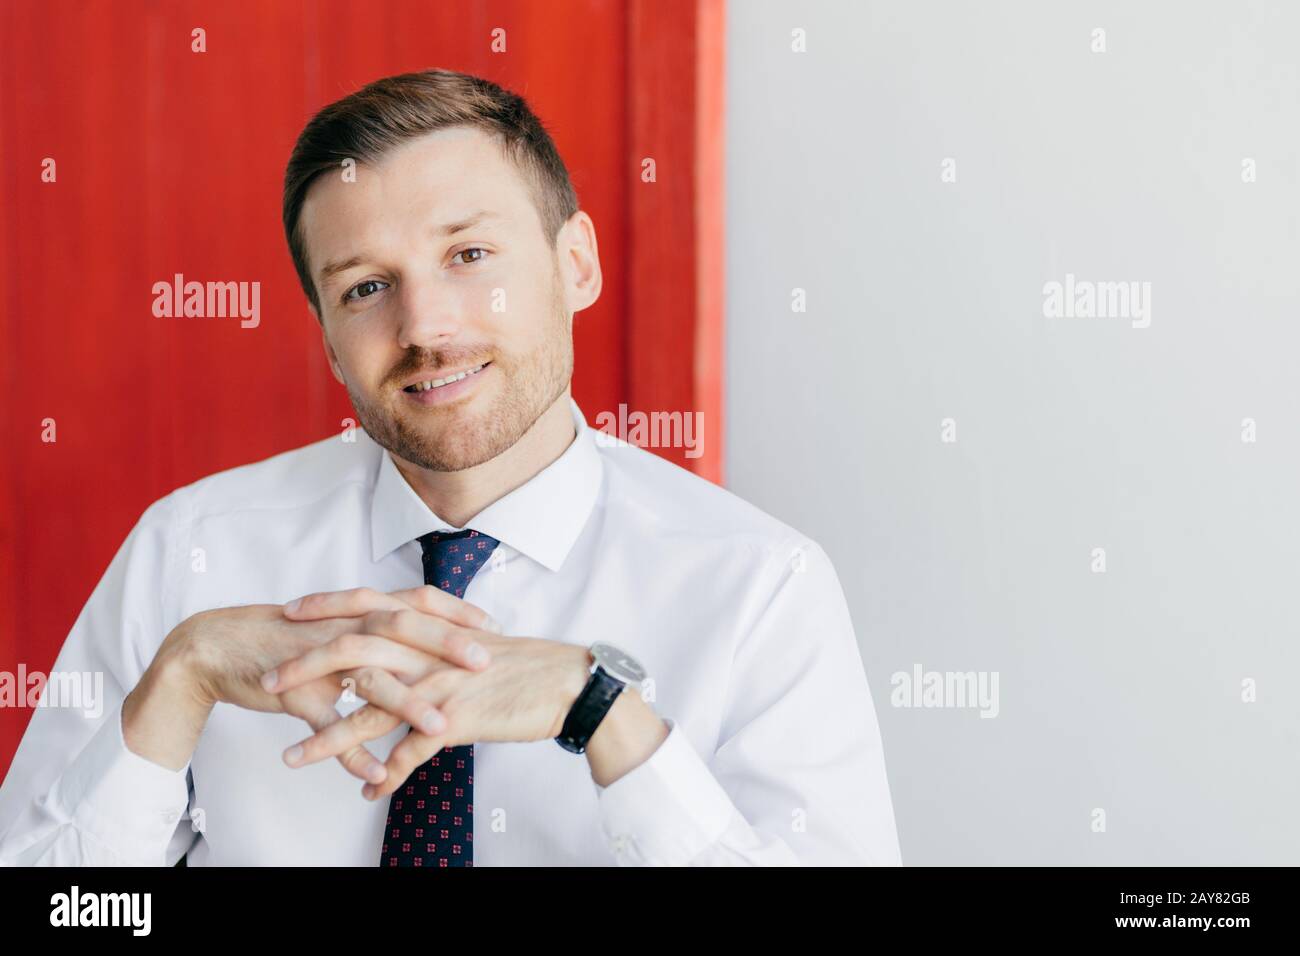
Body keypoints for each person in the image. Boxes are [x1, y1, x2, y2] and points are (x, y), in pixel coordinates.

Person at [0, 69, 901, 866]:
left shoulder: (760, 587)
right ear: (326, 339)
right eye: (364, 287)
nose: (426, 326)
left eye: (469, 256)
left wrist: (605, 717)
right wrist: (179, 683)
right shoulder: (186, 556)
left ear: (575, 264)